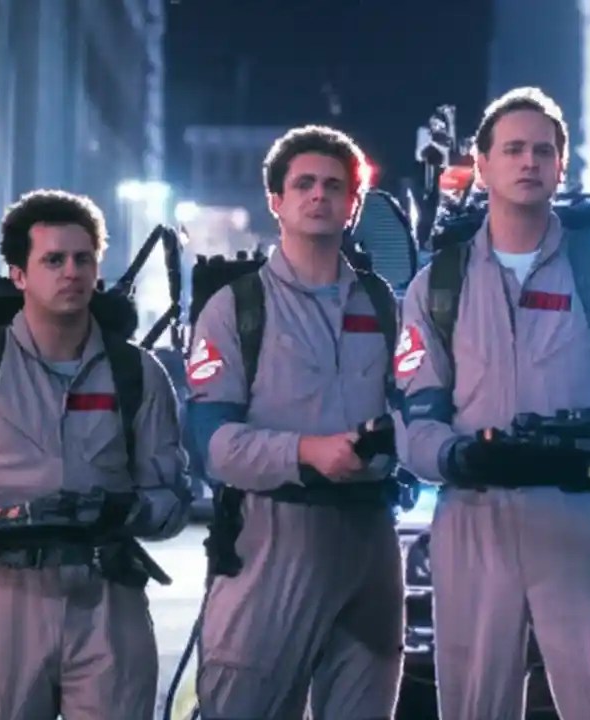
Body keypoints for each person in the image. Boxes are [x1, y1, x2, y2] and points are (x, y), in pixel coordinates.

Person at [397, 86, 590, 720]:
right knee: (473, 706)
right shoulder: (438, 284)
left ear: (560, 166)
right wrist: (455, 457)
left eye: (542, 151)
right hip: (474, 520)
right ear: (483, 163)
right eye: (513, 149)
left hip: (580, 517)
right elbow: (414, 414)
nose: (528, 162)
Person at [0, 189, 191, 719]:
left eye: (83, 259)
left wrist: (129, 511)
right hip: (3, 597)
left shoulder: (138, 375)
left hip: (108, 600)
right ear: (19, 275)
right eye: (52, 260)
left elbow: (171, 496)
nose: (71, 272)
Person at [187, 125, 404, 720]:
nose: (319, 195)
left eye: (335, 186)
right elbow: (212, 444)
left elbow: (419, 412)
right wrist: (306, 451)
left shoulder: (384, 306)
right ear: (275, 201)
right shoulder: (237, 308)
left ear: (353, 205)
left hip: (369, 543)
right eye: (303, 184)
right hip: (271, 539)